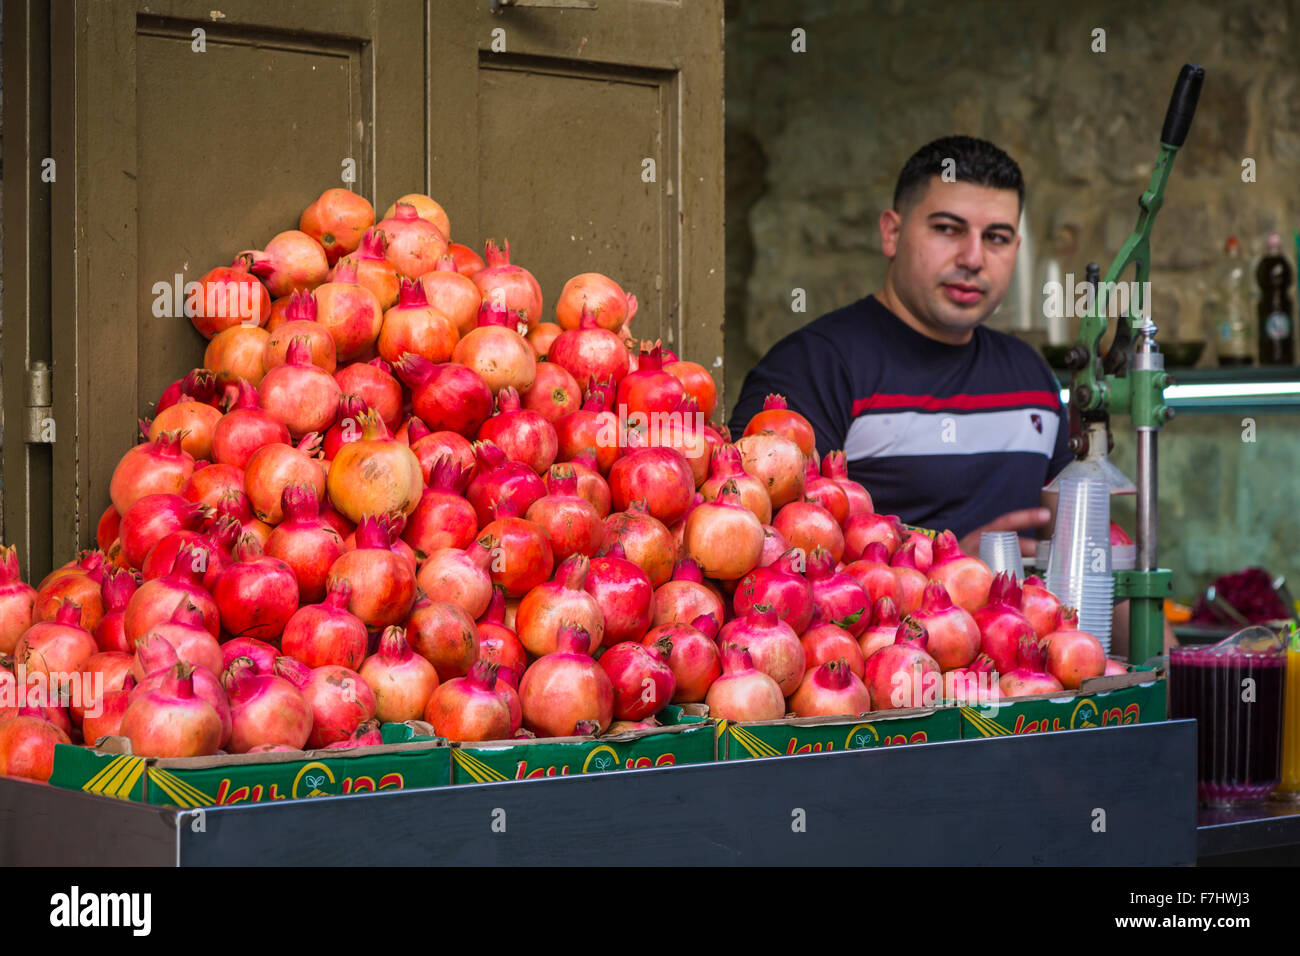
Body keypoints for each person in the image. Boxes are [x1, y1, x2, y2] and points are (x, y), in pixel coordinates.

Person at [728, 135, 1067, 558]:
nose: (973, 258)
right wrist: (949, 567)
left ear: (1016, 250)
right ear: (892, 232)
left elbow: (1084, 549)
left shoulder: (1032, 377)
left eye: (996, 237)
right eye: (948, 229)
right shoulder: (812, 368)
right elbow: (766, 559)